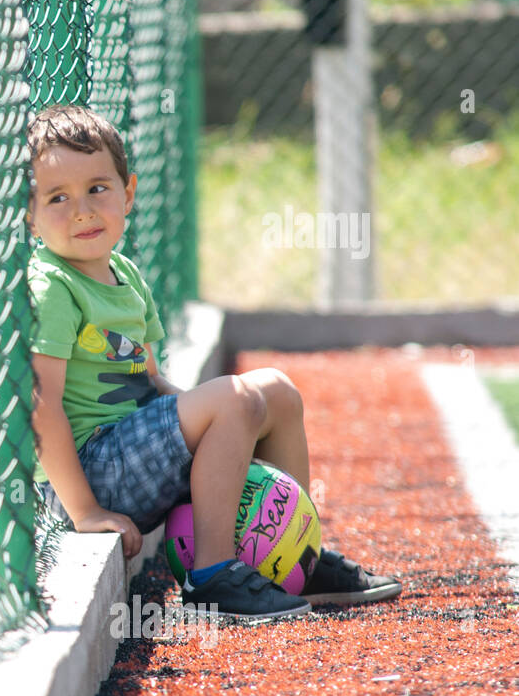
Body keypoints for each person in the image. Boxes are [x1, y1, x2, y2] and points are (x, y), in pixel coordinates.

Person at [25, 103, 401, 619]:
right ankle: (212, 575)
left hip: (133, 451)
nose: (83, 210)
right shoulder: (51, 286)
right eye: (57, 198)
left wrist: (226, 415)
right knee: (236, 397)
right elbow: (41, 404)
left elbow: (148, 379)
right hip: (94, 473)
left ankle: (298, 555)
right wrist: (85, 510)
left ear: (128, 192)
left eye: (97, 188)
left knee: (275, 391)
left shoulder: (124, 275)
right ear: (30, 214)